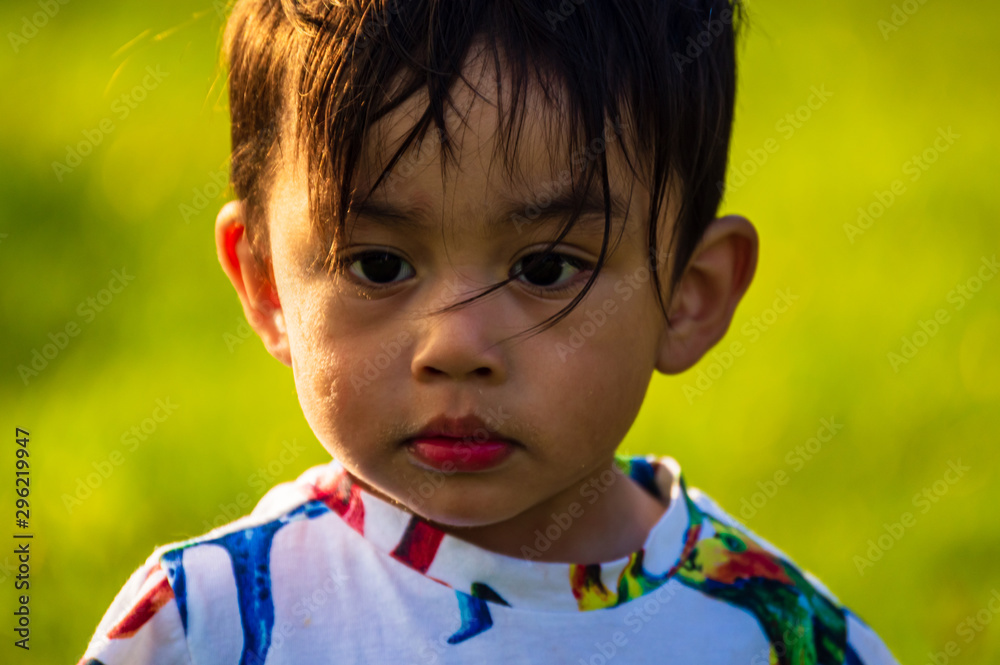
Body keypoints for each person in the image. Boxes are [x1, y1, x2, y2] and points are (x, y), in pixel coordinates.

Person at [78, 1, 899, 663]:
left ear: (690, 293)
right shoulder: (202, 627)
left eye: (545, 269)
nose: (456, 345)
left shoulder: (776, 636)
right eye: (378, 264)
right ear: (266, 283)